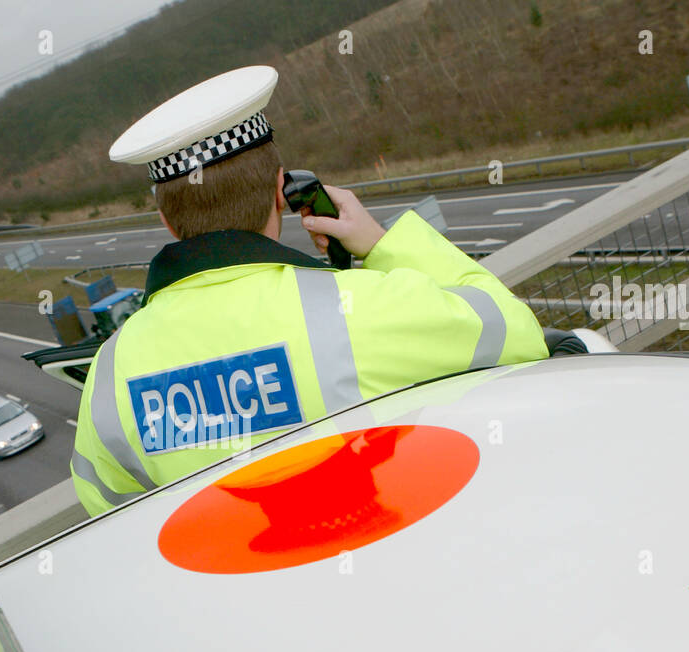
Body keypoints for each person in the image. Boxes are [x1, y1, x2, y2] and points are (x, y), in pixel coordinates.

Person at [71, 65, 547, 516]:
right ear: (283, 192)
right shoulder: (356, 309)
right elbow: (517, 332)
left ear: (167, 221)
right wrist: (383, 245)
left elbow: (112, 508)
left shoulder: (109, 376)